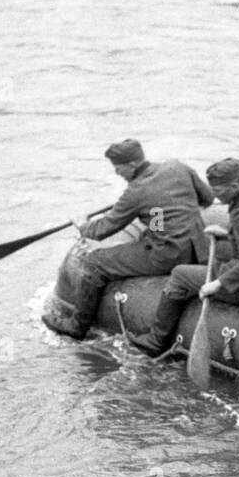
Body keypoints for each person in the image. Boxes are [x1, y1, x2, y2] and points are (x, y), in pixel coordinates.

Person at [43, 139, 213, 339]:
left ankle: (77, 325)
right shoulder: (177, 167)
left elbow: (103, 229)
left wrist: (82, 226)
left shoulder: (136, 192)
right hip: (198, 249)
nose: (116, 173)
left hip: (167, 255)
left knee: (93, 263)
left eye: (118, 167)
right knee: (146, 234)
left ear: (132, 164)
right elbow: (207, 198)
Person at [129, 159, 239, 356]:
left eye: (218, 189)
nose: (214, 194)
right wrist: (228, 235)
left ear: (234, 185)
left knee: (179, 273)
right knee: (207, 260)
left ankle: (156, 340)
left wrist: (217, 283)